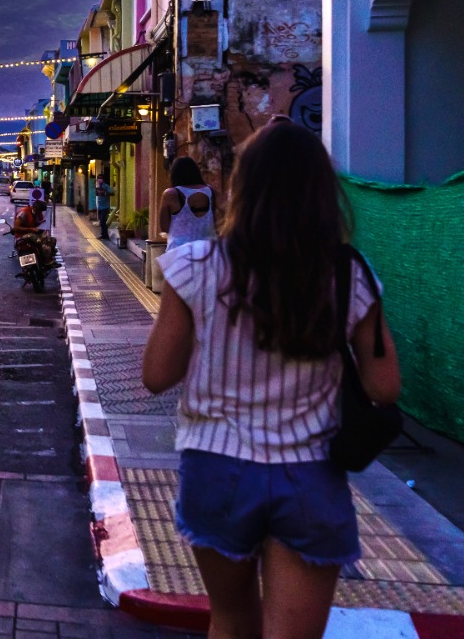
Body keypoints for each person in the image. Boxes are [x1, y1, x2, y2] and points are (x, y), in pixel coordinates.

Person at [141, 118, 401, 639]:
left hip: (215, 469)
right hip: (309, 474)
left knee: (232, 621)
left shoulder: (194, 266)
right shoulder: (347, 273)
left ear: (243, 188)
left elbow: (156, 375)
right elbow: (383, 387)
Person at [160, 156, 218, 250]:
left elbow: (164, 227)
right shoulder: (211, 191)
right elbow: (217, 221)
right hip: (207, 250)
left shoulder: (170, 194)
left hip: (179, 251)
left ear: (174, 174)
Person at [94, 173, 113, 239]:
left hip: (105, 207)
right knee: (101, 222)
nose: (99, 179)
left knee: (102, 221)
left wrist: (105, 192)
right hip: (99, 207)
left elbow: (112, 193)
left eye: (101, 178)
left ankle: (105, 235)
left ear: (103, 179)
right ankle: (103, 234)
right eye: (98, 178)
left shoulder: (106, 186)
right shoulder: (98, 186)